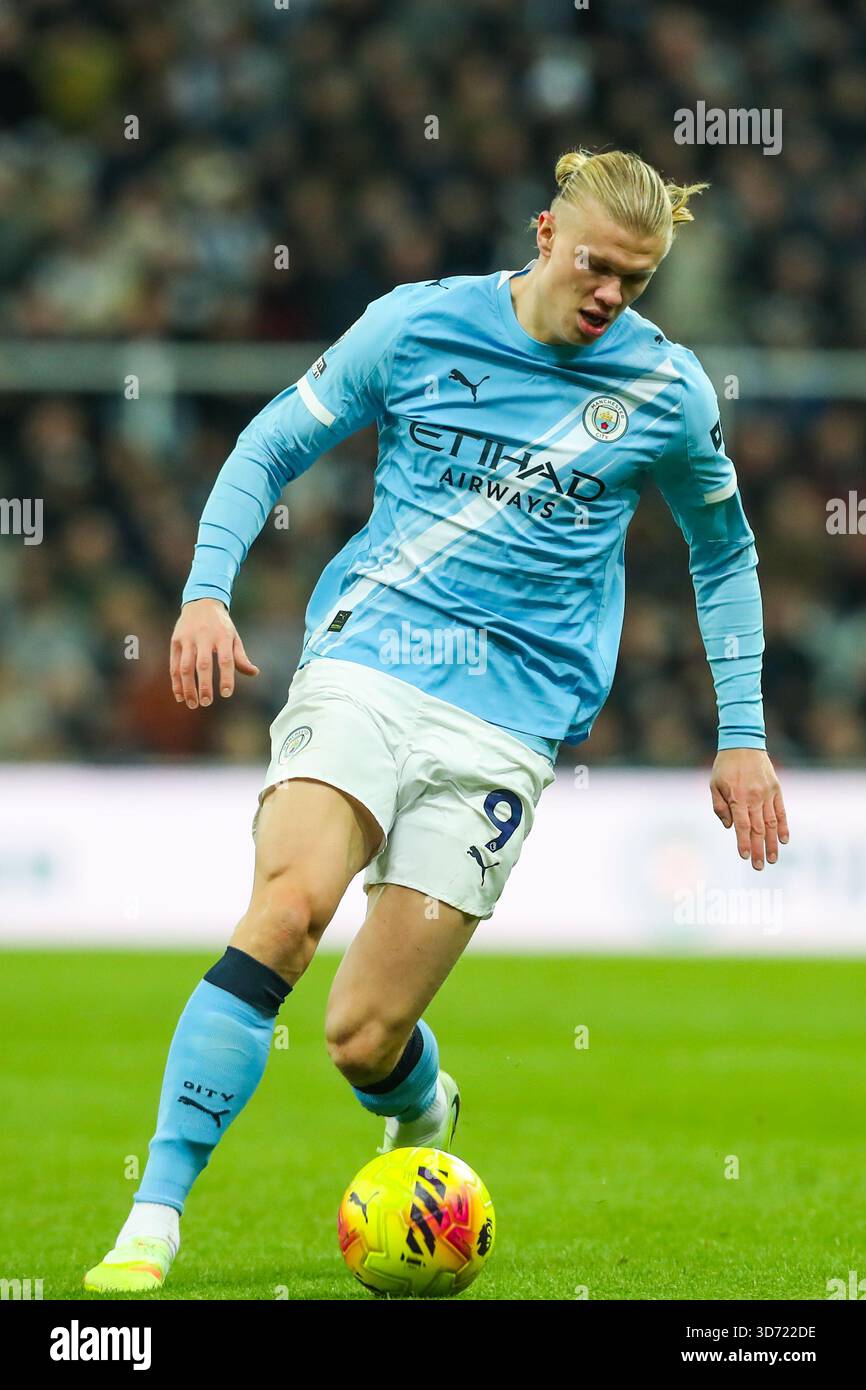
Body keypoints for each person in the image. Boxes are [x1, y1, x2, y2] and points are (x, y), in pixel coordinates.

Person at [84, 147, 789, 1291]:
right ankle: (151, 1220)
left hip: (502, 730)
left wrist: (742, 733)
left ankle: (420, 1099)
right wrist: (206, 587)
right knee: (287, 909)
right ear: (543, 233)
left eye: (636, 281)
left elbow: (725, 557)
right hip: (366, 663)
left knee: (360, 1034)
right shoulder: (415, 327)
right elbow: (272, 442)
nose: (609, 295)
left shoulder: (665, 392)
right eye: (596, 265)